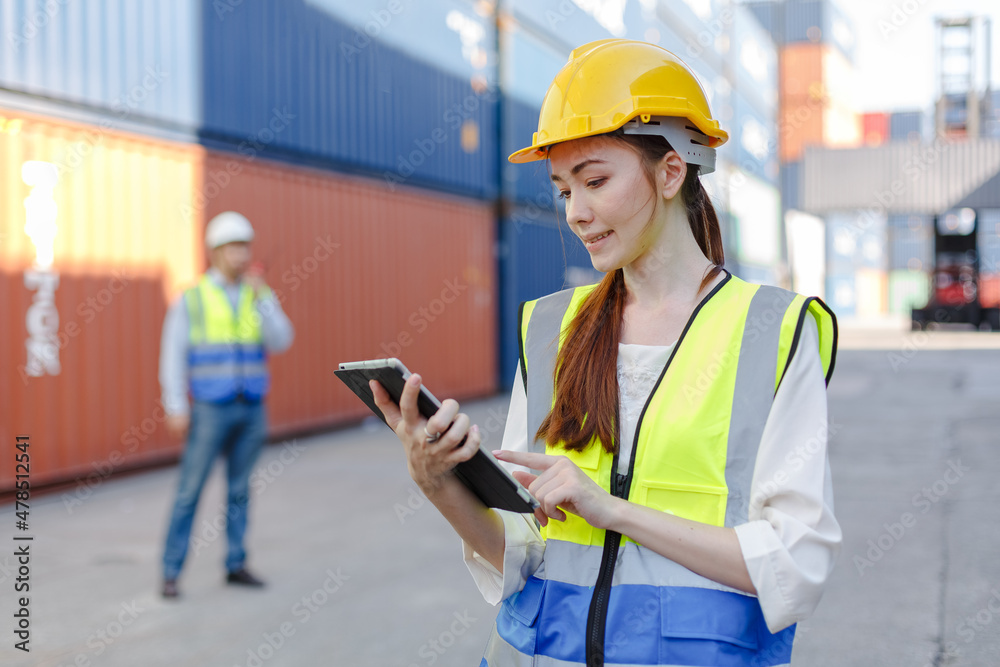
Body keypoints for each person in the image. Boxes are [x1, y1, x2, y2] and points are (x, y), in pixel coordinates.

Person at [372, 38, 840, 666]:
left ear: (671, 172)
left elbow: (795, 564)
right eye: (564, 190)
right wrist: (437, 483)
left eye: (595, 181)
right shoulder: (549, 329)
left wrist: (611, 510)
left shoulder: (775, 331)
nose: (577, 213)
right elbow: (522, 550)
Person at [159, 211, 294, 599]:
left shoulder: (258, 295)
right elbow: (172, 354)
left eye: (246, 246)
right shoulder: (193, 299)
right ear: (215, 251)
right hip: (210, 409)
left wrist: (262, 298)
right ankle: (171, 571)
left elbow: (281, 340)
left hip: (251, 406)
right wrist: (175, 406)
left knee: (240, 489)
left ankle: (236, 564)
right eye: (235, 247)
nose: (242, 254)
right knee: (190, 490)